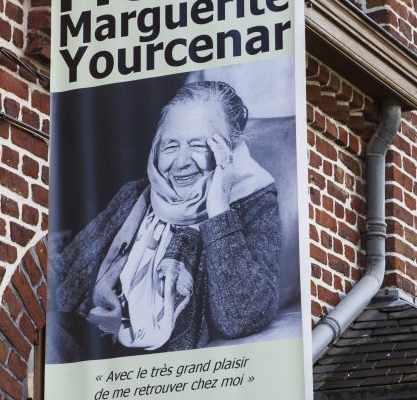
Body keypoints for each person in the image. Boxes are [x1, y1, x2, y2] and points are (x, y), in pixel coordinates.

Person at [49, 80, 281, 362]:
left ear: (229, 150)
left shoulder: (253, 202)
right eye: (170, 145)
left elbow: (242, 318)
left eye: (198, 145)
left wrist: (219, 210)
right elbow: (64, 267)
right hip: (96, 342)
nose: (180, 162)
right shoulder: (136, 195)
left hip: (163, 369)